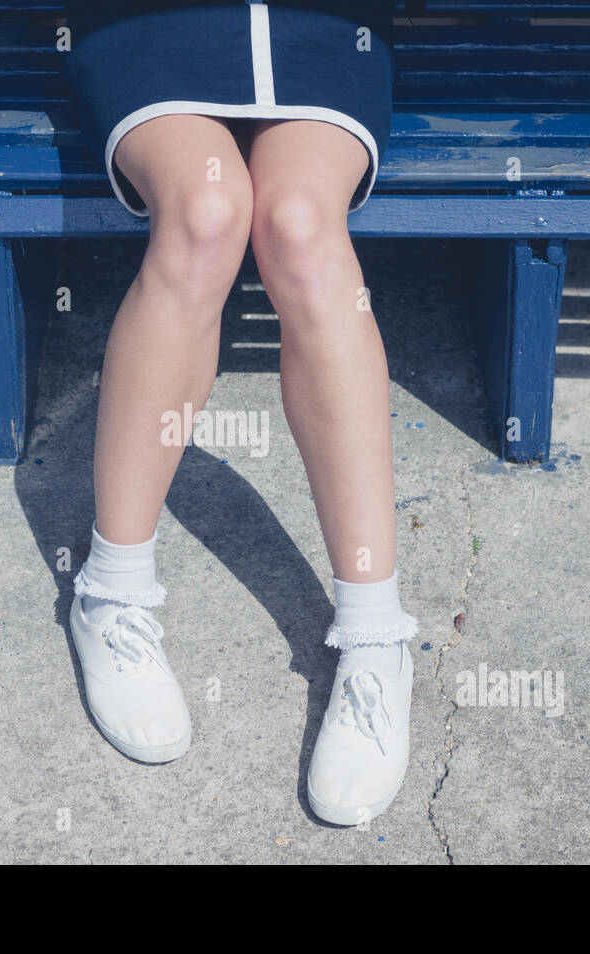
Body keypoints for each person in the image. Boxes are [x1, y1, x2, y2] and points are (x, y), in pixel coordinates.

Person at [60, 0, 415, 826]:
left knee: (297, 226)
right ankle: (110, 592)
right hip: (150, 22)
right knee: (205, 217)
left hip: (322, 24)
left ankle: (375, 639)